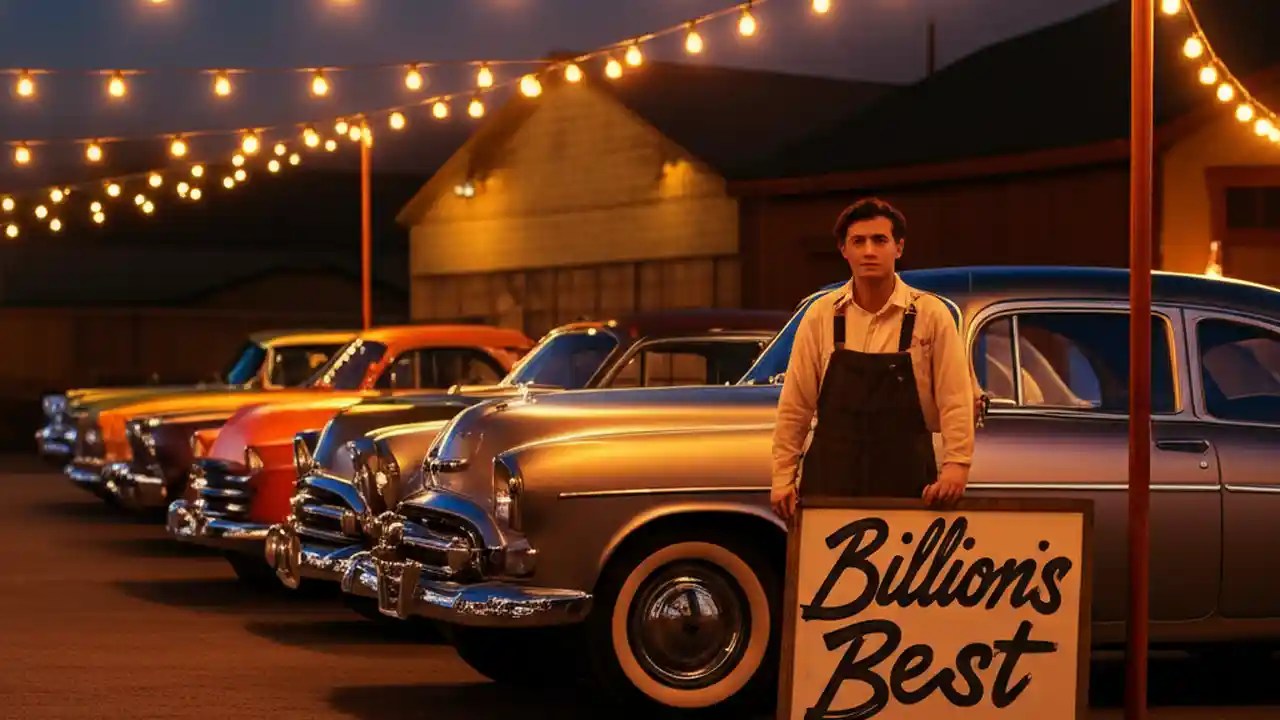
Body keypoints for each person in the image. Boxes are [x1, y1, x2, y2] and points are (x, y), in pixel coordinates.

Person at [770, 198, 975, 522]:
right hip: (831, 478)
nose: (869, 251)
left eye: (880, 240)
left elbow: (956, 397)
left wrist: (956, 467)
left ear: (899, 247)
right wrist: (783, 476)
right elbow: (796, 403)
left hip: (906, 477)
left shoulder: (931, 315)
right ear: (843, 250)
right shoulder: (820, 315)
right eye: (858, 241)